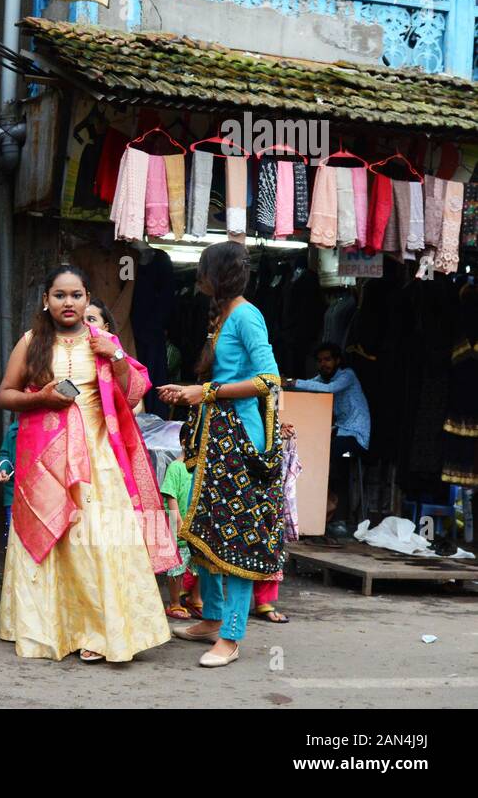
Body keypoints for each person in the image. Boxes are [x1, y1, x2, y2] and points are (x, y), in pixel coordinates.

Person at [0, 265, 178, 663]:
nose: (68, 302)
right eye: (59, 295)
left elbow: (132, 395)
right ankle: (52, 627)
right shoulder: (31, 342)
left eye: (76, 295)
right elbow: (5, 395)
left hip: (100, 461)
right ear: (46, 301)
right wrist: (40, 399)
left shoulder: (105, 341)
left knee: (99, 544)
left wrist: (115, 355)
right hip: (48, 460)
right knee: (58, 543)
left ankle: (101, 631)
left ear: (87, 300)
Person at [159, 240, 285, 668]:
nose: (199, 280)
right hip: (215, 436)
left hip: (241, 440)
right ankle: (212, 618)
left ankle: (231, 637)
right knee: (204, 529)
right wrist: (191, 394)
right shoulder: (224, 313)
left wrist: (206, 392)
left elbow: (269, 380)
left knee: (236, 535)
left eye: (204, 271)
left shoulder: (247, 315)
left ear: (221, 274)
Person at [285, 342, 370, 534]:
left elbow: (328, 389)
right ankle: (316, 514)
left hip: (356, 436)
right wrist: (287, 383)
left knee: (334, 464)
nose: (324, 364)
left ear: (338, 361)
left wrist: (292, 382)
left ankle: (338, 519)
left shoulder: (347, 375)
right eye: (320, 360)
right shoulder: (322, 379)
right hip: (340, 431)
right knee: (318, 457)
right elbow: (309, 385)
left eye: (328, 359)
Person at [160, 454, 201, 620]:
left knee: (199, 565)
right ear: (186, 442)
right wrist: (177, 520)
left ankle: (195, 598)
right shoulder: (176, 467)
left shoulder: (201, 468)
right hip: (179, 528)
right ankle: (174, 603)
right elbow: (171, 494)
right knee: (178, 565)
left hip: (197, 528)